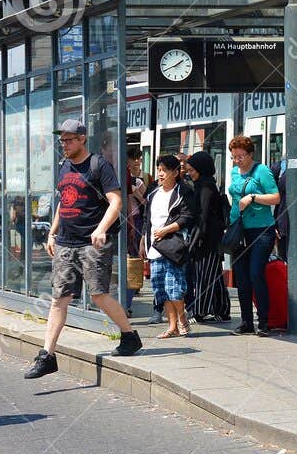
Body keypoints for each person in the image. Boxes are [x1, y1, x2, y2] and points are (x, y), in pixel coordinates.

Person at [25, 119, 141, 379]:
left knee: (98, 294)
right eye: (62, 140)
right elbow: (62, 202)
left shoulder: (99, 165)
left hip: (91, 243)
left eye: (68, 140)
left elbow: (116, 202)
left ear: (82, 139)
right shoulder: (64, 166)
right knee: (59, 299)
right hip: (66, 241)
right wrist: (53, 232)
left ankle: (129, 335)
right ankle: (47, 356)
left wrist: (100, 229)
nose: (63, 144)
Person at [225, 136, 280, 335]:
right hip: (239, 229)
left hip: (261, 229)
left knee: (256, 273)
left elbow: (276, 197)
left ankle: (264, 321)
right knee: (241, 276)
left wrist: (253, 197)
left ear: (250, 154)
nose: (237, 161)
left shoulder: (261, 171)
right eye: (234, 157)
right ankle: (246, 321)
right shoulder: (233, 171)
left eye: (241, 157)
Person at [141, 154, 197, 339]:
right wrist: (144, 239)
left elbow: (187, 217)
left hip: (173, 247)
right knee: (160, 289)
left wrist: (166, 230)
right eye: (159, 170)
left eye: (164, 170)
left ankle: (183, 321)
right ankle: (171, 326)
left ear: (175, 172)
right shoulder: (153, 193)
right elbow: (146, 219)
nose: (160, 174)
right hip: (154, 247)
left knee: (174, 287)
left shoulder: (184, 191)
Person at [182, 150, 232, 324]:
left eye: (192, 170)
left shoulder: (206, 187)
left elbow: (203, 216)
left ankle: (201, 311)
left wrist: (195, 240)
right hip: (207, 236)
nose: (190, 173)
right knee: (214, 274)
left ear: (201, 168)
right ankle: (223, 309)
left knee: (205, 274)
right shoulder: (204, 184)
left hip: (207, 238)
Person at [124, 151, 149, 312]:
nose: (135, 162)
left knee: (134, 256)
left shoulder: (139, 181)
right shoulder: (123, 176)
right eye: (133, 160)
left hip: (135, 220)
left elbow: (147, 202)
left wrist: (136, 193)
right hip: (126, 221)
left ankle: (134, 285)